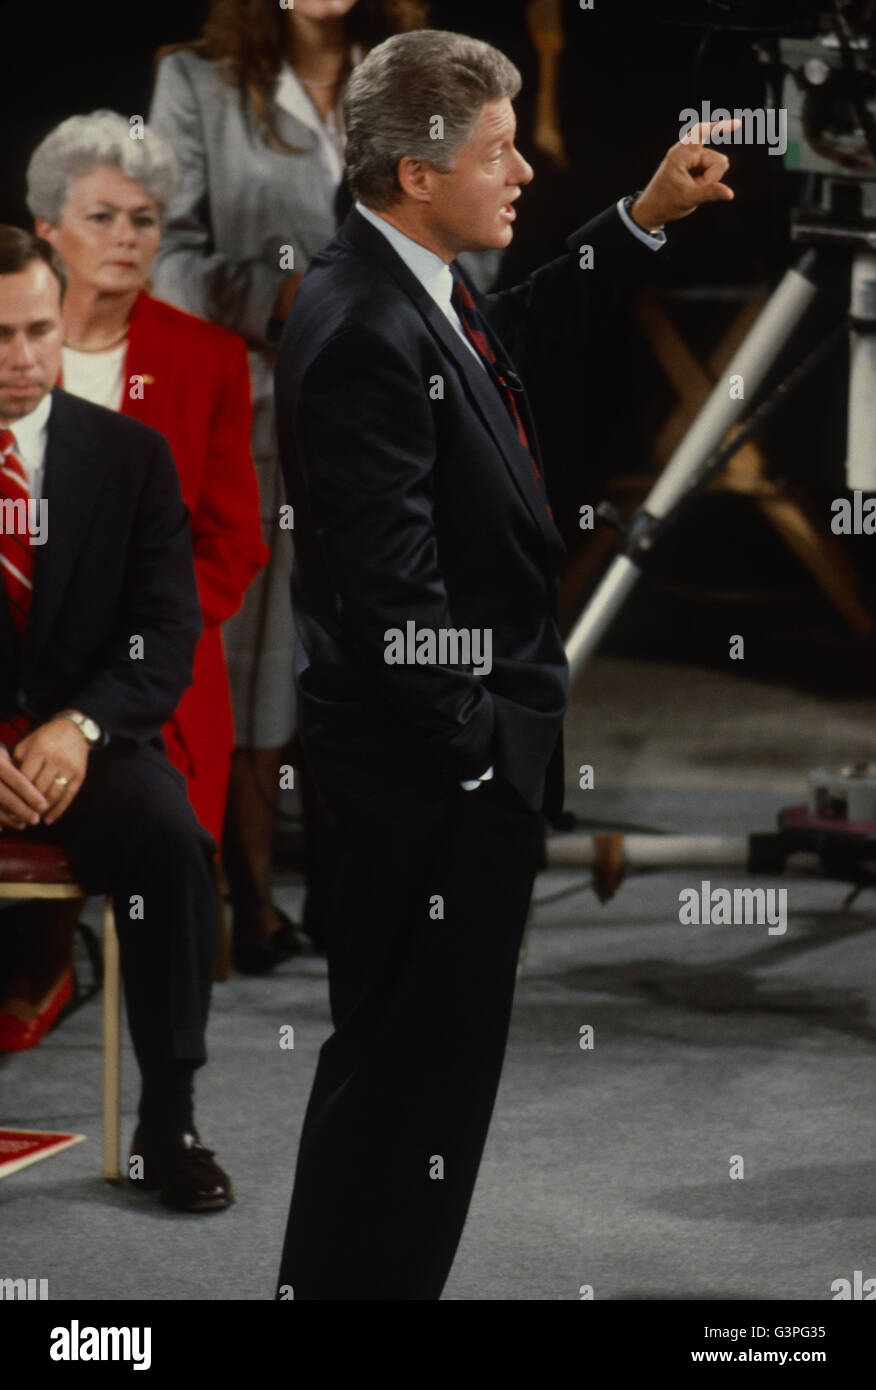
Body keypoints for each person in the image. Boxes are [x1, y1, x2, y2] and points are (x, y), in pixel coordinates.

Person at [273, 30, 735, 1298]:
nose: (525, 170)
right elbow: (390, 605)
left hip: (437, 781)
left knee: (412, 1100)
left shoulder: (405, 280)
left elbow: (509, 338)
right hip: (429, 793)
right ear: (418, 175)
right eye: (497, 151)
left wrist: (639, 217)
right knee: (403, 1101)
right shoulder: (364, 326)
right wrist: (486, 754)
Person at [148, 0, 493, 972]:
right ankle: (250, 901)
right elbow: (165, 259)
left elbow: (476, 240)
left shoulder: (422, 72)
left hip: (401, 414)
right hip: (257, 410)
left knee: (386, 646)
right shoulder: (196, 82)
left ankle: (372, 892)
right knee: (255, 667)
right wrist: (282, 296)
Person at [0, 227, 232, 1210]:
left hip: (84, 745)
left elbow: (165, 631)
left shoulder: (134, 458)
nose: (21, 358)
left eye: (39, 331)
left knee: (173, 842)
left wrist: (80, 727)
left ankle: (168, 1119)